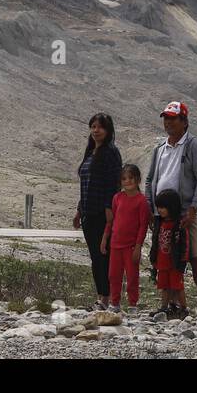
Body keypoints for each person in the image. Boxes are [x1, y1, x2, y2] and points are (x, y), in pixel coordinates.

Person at [143, 101, 197, 316]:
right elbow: (149, 180)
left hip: (184, 212)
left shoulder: (194, 145)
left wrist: (194, 208)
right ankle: (172, 304)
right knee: (164, 257)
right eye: (165, 118)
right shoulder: (160, 148)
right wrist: (150, 206)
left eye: (173, 118)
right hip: (161, 213)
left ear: (184, 121)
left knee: (194, 255)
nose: (168, 122)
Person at [72, 113, 122, 311]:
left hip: (103, 213)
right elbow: (86, 185)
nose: (96, 130)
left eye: (100, 127)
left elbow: (113, 183)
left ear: (108, 130)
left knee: (104, 255)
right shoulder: (90, 151)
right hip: (88, 213)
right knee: (95, 256)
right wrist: (78, 211)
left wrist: (110, 209)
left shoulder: (111, 152)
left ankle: (108, 298)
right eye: (92, 126)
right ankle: (101, 296)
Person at [101, 164, 150, 313]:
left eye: (131, 178)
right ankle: (114, 303)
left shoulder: (142, 201)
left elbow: (143, 226)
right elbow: (111, 221)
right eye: (124, 178)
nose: (127, 181)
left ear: (138, 179)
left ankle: (132, 304)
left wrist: (138, 247)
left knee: (132, 276)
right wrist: (105, 239)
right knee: (113, 275)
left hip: (130, 247)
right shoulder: (117, 198)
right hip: (115, 244)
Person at [150, 188, 189, 319]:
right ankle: (164, 308)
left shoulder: (179, 225)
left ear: (171, 207)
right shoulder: (159, 223)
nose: (160, 210)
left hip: (175, 262)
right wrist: (154, 260)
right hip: (162, 262)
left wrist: (183, 260)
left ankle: (183, 308)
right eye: (158, 207)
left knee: (177, 286)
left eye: (163, 207)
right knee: (164, 286)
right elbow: (155, 241)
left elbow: (184, 244)